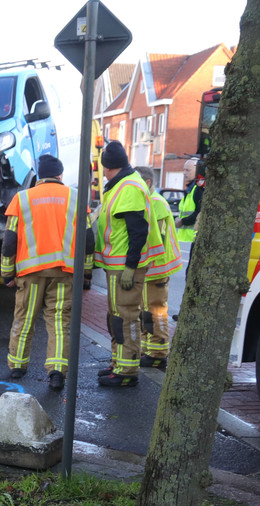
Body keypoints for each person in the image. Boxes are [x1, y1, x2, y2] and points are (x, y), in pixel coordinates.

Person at [0, 153, 87, 392]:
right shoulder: (76, 198)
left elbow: (9, 240)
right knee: (59, 323)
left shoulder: (22, 198)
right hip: (64, 271)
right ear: (60, 175)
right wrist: (85, 272)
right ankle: (57, 372)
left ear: (39, 176)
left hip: (30, 272)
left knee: (24, 320)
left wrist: (7, 273)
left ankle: (18, 366)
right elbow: (87, 239)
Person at [93, 141, 161, 387]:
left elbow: (137, 231)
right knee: (116, 316)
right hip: (118, 265)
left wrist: (131, 266)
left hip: (124, 265)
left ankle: (127, 371)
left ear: (109, 167)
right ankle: (118, 363)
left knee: (126, 318)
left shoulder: (129, 187)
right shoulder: (122, 185)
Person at [135, 166, 181, 369]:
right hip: (152, 265)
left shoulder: (155, 203)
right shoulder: (151, 202)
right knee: (148, 310)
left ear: (147, 183)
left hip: (157, 266)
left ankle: (159, 352)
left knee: (155, 310)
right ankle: (149, 350)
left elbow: (157, 238)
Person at [176, 157, 204, 244]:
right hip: (185, 239)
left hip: (193, 239)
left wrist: (182, 221)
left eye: (188, 170)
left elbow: (200, 213)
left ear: (197, 171)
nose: (184, 173)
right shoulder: (190, 190)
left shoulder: (199, 189)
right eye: (184, 170)